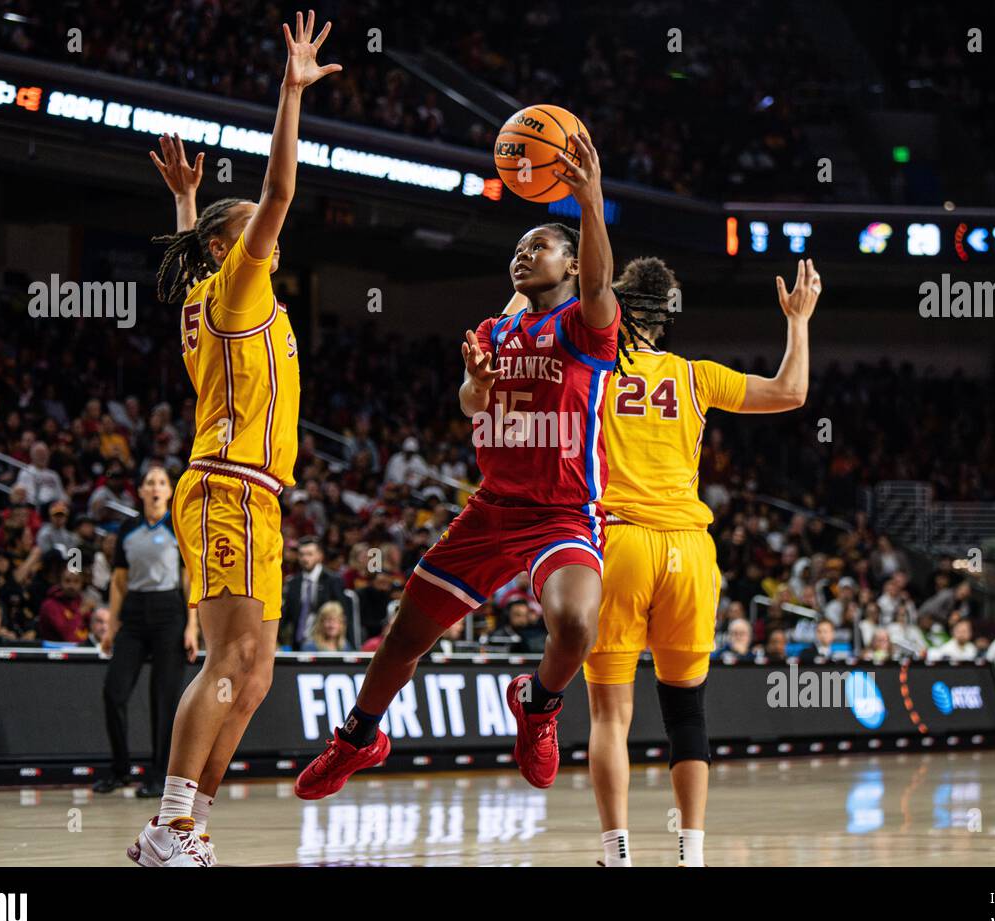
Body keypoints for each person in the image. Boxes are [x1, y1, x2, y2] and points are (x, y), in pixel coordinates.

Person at [295, 123, 621, 801]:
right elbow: (471, 404)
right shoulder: (494, 329)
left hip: (561, 514)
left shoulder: (586, 327)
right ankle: (359, 736)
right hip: (488, 511)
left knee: (576, 623)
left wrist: (589, 201)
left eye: (540, 248)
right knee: (402, 639)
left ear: (570, 264)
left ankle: (537, 705)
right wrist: (479, 379)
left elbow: (598, 280)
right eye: (518, 249)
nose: (524, 255)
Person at [127, 10, 336, 868]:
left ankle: (189, 826)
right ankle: (165, 827)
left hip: (253, 494)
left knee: (252, 676)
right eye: (249, 230)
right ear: (228, 245)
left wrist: (182, 197)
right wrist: (290, 93)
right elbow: (279, 192)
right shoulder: (237, 291)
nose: (270, 237)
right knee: (227, 662)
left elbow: (194, 250)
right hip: (228, 484)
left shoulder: (216, 293)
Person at [580, 255, 819, 866]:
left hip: (619, 543)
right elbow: (791, 393)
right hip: (689, 550)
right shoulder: (696, 377)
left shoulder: (589, 371)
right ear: (668, 315)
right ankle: (691, 853)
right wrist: (797, 321)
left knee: (611, 713)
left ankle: (618, 853)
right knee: (686, 710)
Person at [96, 467, 199, 798]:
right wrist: (112, 626)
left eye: (161, 483)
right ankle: (120, 769)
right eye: (149, 483)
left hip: (170, 612)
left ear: (170, 492)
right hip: (134, 613)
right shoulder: (128, 529)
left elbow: (188, 579)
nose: (155, 488)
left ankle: (159, 776)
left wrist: (192, 626)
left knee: (163, 699)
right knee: (114, 691)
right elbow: (119, 581)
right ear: (140, 491)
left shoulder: (176, 527)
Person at [281, 537, 348, 649]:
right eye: (301, 554)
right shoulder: (292, 583)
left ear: (320, 556)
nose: (305, 558)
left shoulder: (333, 581)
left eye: (309, 554)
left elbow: (343, 614)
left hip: (323, 645)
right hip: (296, 644)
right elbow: (286, 616)